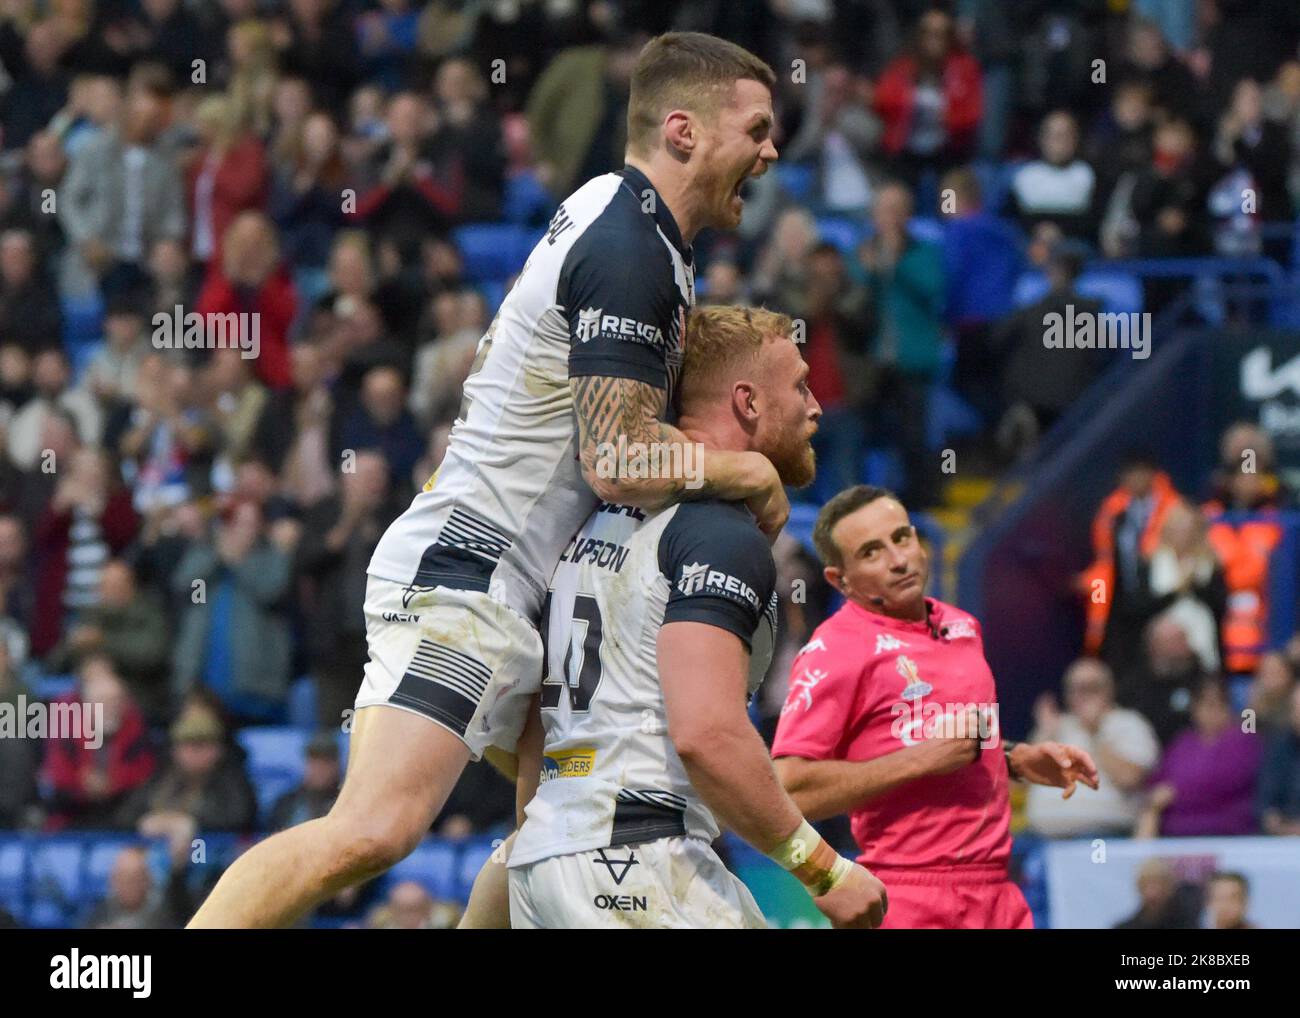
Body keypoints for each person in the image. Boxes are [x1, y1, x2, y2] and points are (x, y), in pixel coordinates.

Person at [189, 31, 787, 929]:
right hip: (465, 579)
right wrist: (748, 469)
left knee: (554, 832)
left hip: (519, 585)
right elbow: (616, 459)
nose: (773, 150)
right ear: (683, 130)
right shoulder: (629, 247)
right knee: (373, 832)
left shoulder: (630, 225)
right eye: (758, 128)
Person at [505, 305, 884, 929]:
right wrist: (823, 869)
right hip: (639, 856)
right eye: (800, 386)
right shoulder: (718, 532)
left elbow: (531, 729)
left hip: (550, 859)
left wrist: (536, 855)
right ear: (748, 401)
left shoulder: (588, 523)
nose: (817, 408)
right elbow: (707, 733)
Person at [771, 484, 1099, 929]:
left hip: (999, 897)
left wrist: (1017, 759)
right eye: (871, 553)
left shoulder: (963, 626)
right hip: (909, 899)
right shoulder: (834, 650)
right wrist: (923, 760)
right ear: (839, 580)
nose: (899, 559)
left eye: (902, 537)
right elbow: (789, 789)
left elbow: (951, 741)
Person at [1025, 659, 1159, 839]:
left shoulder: (1128, 723)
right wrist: (1044, 735)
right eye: (1073, 689)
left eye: (1089, 688)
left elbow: (1130, 779)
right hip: (1042, 835)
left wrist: (1094, 733)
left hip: (1102, 834)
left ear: (1109, 689)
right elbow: (1021, 781)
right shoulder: (1059, 725)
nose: (1080, 696)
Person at [1137, 676, 1263, 837]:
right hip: (1175, 834)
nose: (1212, 711)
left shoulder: (1244, 738)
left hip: (1224, 832)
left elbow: (1227, 780)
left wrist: (1176, 793)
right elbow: (1158, 779)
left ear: (1229, 707)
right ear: (1194, 708)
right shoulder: (1183, 742)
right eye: (1205, 704)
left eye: (1218, 704)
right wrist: (1155, 795)